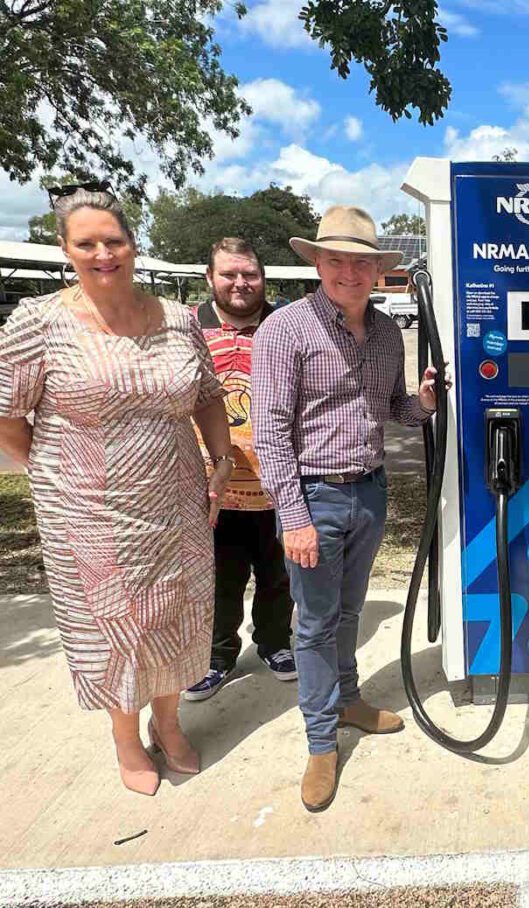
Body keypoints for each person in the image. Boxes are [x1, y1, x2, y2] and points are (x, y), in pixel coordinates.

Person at [0, 184, 233, 796]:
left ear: (133, 244)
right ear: (65, 249)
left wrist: (220, 458)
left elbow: (208, 396)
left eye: (114, 240)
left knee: (177, 617)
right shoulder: (38, 323)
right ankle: (127, 739)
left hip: (177, 505)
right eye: (87, 243)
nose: (103, 253)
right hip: (87, 514)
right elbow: (7, 413)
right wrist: (54, 473)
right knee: (112, 630)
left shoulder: (180, 321)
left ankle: (170, 722)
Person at [251, 205, 444, 813]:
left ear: (376, 271)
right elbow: (271, 434)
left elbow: (394, 410)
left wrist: (425, 401)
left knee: (350, 609)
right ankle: (319, 742)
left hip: (370, 488)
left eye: (360, 262)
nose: (349, 272)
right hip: (314, 494)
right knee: (312, 622)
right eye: (336, 260)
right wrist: (293, 516)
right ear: (318, 264)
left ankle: (349, 700)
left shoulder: (386, 332)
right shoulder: (285, 330)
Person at [184, 239, 295, 702]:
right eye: (229, 274)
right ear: (210, 278)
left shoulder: (287, 323)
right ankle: (217, 656)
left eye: (249, 274)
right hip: (210, 487)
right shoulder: (185, 326)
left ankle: (274, 642)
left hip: (278, 482)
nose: (240, 283)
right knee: (217, 578)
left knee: (280, 574)